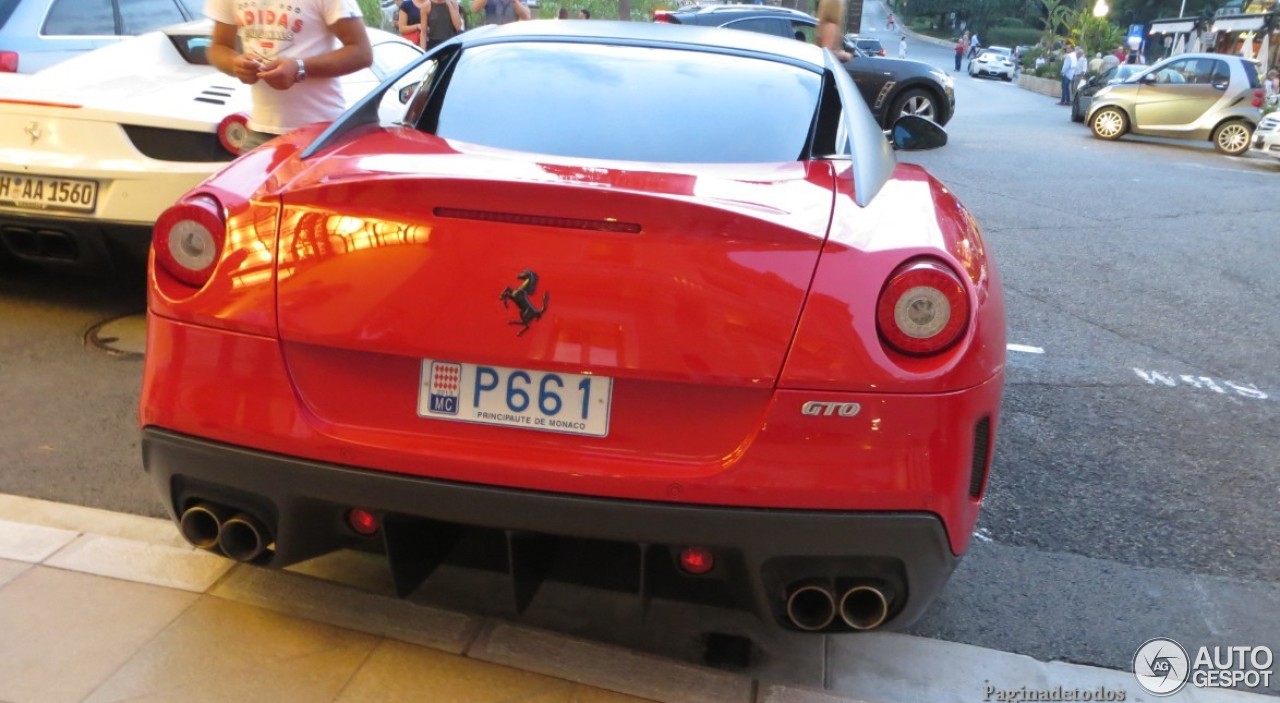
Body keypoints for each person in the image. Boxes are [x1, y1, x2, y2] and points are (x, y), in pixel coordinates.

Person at [206, 0, 372, 151]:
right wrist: (236, 64)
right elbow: (218, 47)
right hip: (260, 132)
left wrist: (299, 68)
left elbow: (361, 52)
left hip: (320, 133)